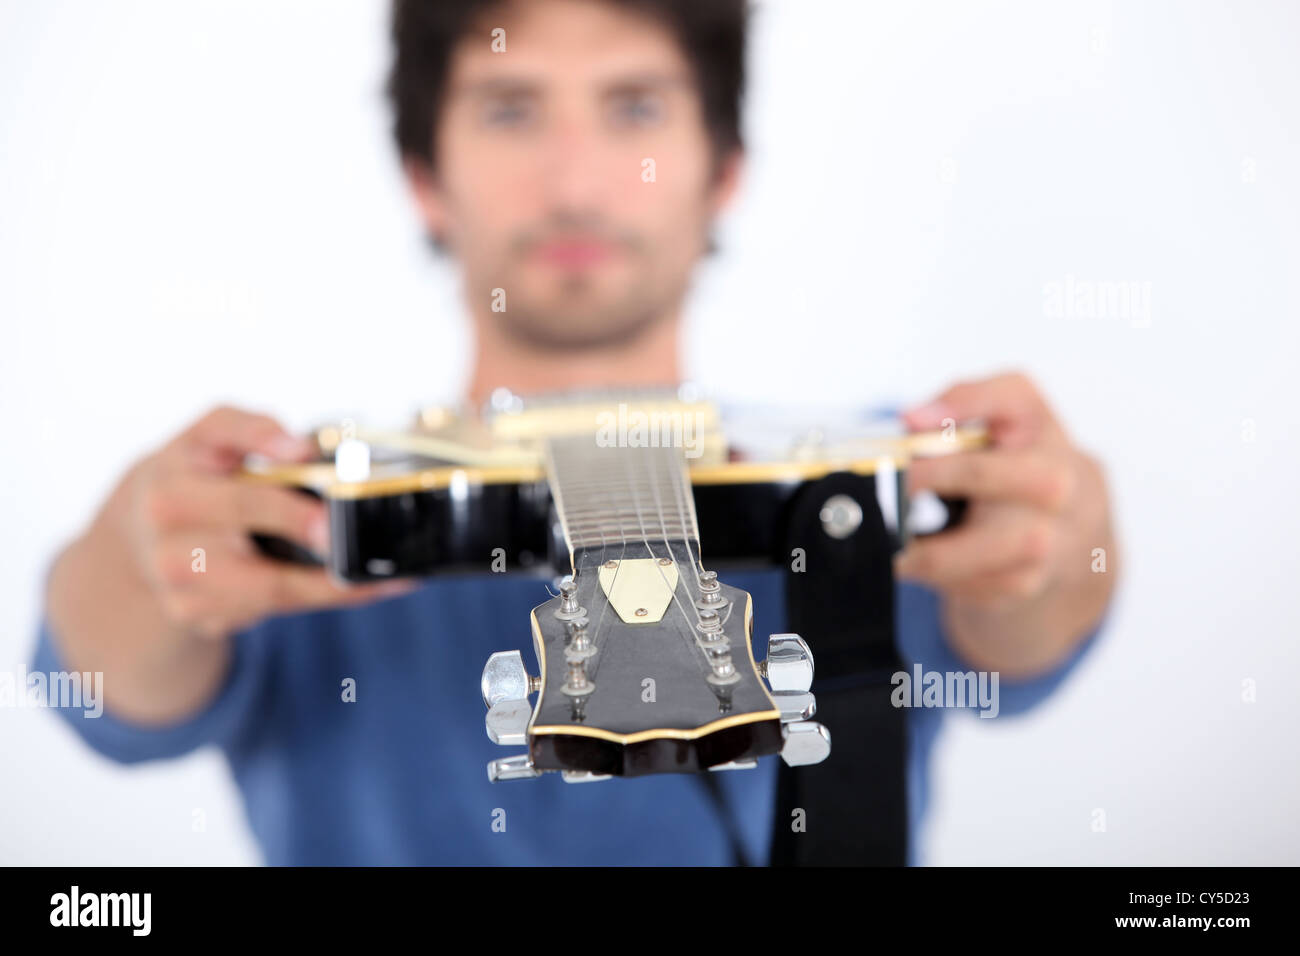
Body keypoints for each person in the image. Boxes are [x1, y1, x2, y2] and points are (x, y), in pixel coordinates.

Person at [33, 0, 1116, 865]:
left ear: (722, 171)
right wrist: (143, 548)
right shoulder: (305, 512)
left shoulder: (872, 471)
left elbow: (1022, 629)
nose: (575, 178)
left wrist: (1054, 533)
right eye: (510, 109)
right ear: (425, 179)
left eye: (634, 108)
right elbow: (103, 682)